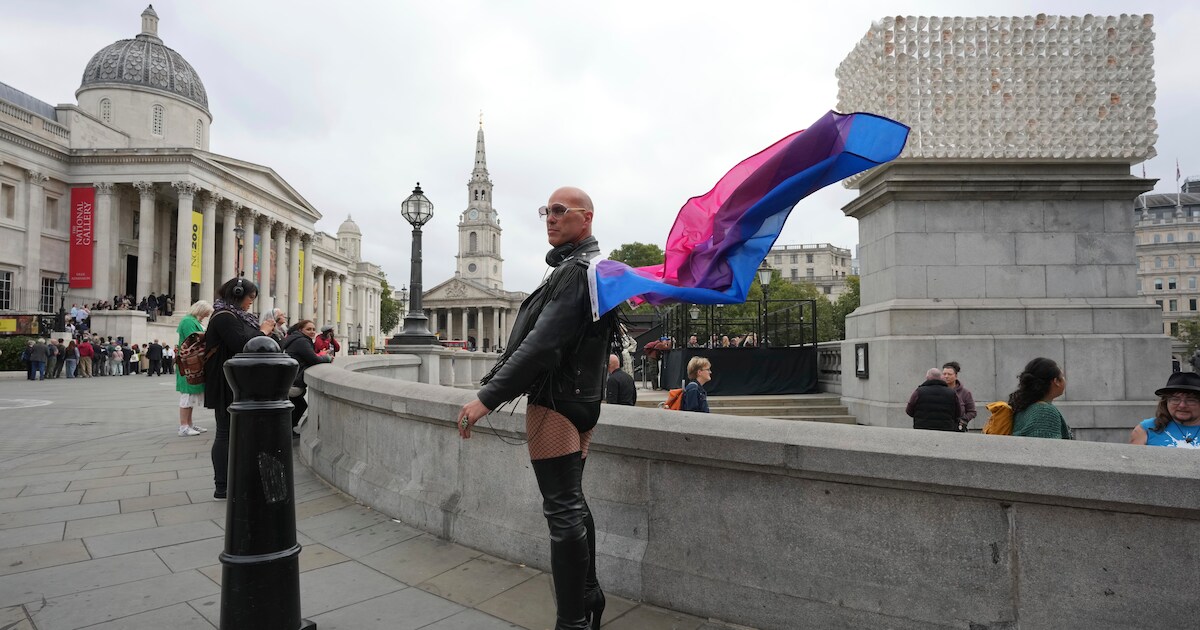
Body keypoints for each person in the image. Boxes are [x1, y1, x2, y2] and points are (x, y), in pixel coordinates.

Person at [458, 186, 615, 630]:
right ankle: (589, 596)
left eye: (561, 211)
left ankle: (572, 622)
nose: (550, 217)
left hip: (556, 403)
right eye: (546, 210)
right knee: (575, 504)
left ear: (586, 218)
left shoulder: (573, 272)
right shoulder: (591, 270)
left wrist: (485, 399)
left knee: (562, 512)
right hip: (584, 403)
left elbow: (541, 345)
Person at [203, 277, 275, 499]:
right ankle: (222, 485)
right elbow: (244, 345)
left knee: (234, 432)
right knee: (224, 432)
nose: (251, 302)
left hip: (235, 380)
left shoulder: (234, 315)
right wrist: (263, 332)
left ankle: (234, 478)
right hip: (226, 382)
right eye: (250, 297)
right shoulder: (224, 316)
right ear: (237, 293)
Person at [281, 319, 333, 437]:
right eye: (308, 329)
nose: (312, 332)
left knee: (299, 406)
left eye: (314, 329)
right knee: (299, 406)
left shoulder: (295, 339)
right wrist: (327, 358)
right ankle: (286, 431)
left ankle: (287, 430)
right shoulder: (301, 341)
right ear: (301, 330)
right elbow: (314, 359)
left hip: (288, 378)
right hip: (294, 381)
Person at [1130, 372, 1200, 448]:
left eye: (1191, 400)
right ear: (1166, 402)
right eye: (1175, 399)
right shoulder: (1146, 430)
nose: (1182, 405)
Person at [1008, 357, 1072, 439]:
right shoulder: (1045, 412)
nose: (1065, 380)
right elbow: (1049, 449)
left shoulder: (1023, 408)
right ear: (1056, 381)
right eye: (1062, 376)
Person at [177, 300, 213, 437]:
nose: (205, 316)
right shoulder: (187, 321)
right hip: (188, 363)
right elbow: (193, 340)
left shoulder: (192, 321)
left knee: (190, 395)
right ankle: (184, 426)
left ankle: (189, 424)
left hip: (192, 363)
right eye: (204, 314)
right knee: (187, 394)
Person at [941, 361, 977, 432]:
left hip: (957, 429)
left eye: (949, 374)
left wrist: (963, 419)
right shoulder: (939, 390)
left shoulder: (965, 393)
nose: (946, 376)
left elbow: (972, 411)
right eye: (944, 374)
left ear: (956, 376)